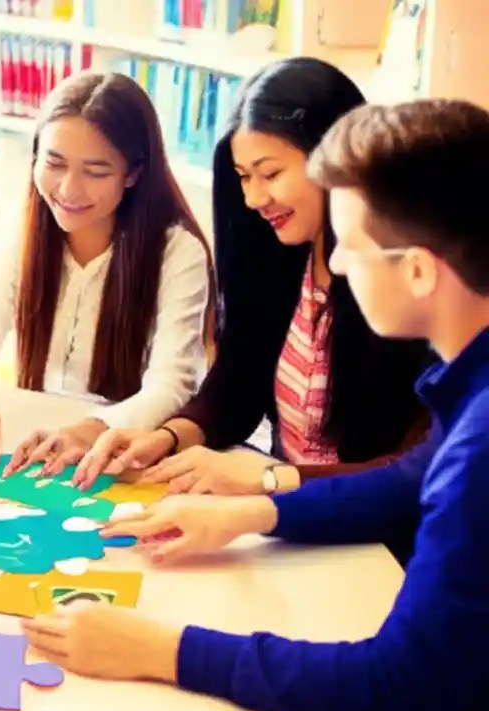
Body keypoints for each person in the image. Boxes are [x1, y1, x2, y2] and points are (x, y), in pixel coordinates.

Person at [22, 98, 489, 711]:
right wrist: (253, 513)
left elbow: (397, 682)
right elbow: (408, 479)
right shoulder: (468, 388)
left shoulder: (478, 450)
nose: (339, 263)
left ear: (421, 273)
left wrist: (163, 650)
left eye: (349, 245)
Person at [74, 58, 430, 494]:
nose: (253, 198)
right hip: (289, 514)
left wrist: (268, 481)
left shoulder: (400, 281)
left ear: (337, 158)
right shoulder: (283, 254)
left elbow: (412, 472)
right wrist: (169, 438)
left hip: (365, 535)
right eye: (243, 177)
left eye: (271, 173)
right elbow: (240, 380)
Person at [0, 72, 213, 475]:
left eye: (96, 171)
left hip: (119, 450)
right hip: (33, 435)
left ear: (133, 174)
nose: (69, 189)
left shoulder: (177, 252)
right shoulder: (20, 227)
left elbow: (171, 385)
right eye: (54, 162)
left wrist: (92, 429)